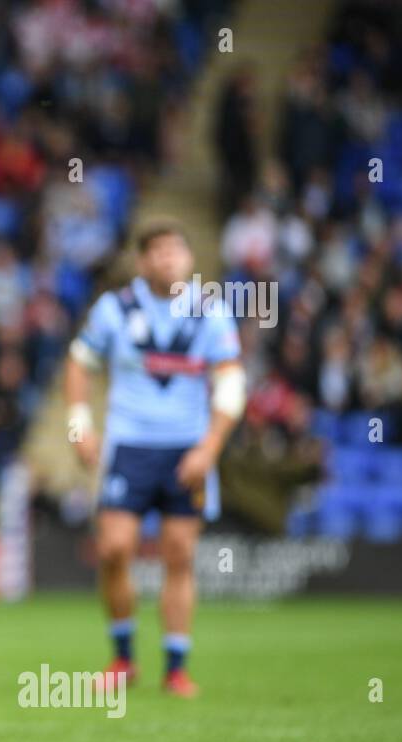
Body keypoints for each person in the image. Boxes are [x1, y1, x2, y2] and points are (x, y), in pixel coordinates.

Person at [63, 220, 245, 697]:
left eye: (177, 250)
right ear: (143, 262)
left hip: (188, 448)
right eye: (159, 252)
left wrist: (209, 448)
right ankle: (123, 659)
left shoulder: (210, 310)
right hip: (129, 445)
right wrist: (79, 426)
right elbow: (79, 363)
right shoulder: (115, 308)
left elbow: (230, 382)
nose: (169, 259)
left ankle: (176, 666)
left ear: (189, 258)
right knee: (114, 549)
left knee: (179, 555)